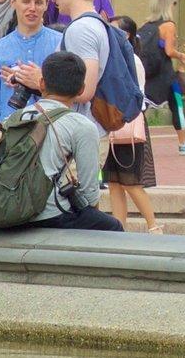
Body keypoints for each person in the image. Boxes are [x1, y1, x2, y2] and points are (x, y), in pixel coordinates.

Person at [8, 52, 122, 231]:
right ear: (81, 89)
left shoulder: (15, 117)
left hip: (8, 207)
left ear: (42, 83)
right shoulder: (82, 125)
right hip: (49, 215)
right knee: (113, 226)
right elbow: (90, 195)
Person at [100, 18, 161, 232]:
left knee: (131, 182)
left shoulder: (131, 59)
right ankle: (120, 228)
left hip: (127, 122)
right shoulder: (114, 57)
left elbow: (132, 91)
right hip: (111, 124)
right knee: (115, 183)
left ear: (125, 35)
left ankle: (154, 226)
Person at [0, 0, 62, 127]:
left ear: (46, 4)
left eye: (38, 2)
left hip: (52, 133)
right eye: (26, 2)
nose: (32, 8)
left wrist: (40, 81)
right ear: (13, 3)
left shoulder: (60, 43)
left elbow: (71, 97)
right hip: (10, 136)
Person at [138, 0, 185, 153]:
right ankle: (183, 143)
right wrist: (182, 56)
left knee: (141, 108)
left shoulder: (146, 25)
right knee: (177, 105)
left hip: (149, 73)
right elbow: (169, 51)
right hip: (166, 74)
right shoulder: (168, 26)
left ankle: (135, 137)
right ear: (168, 5)